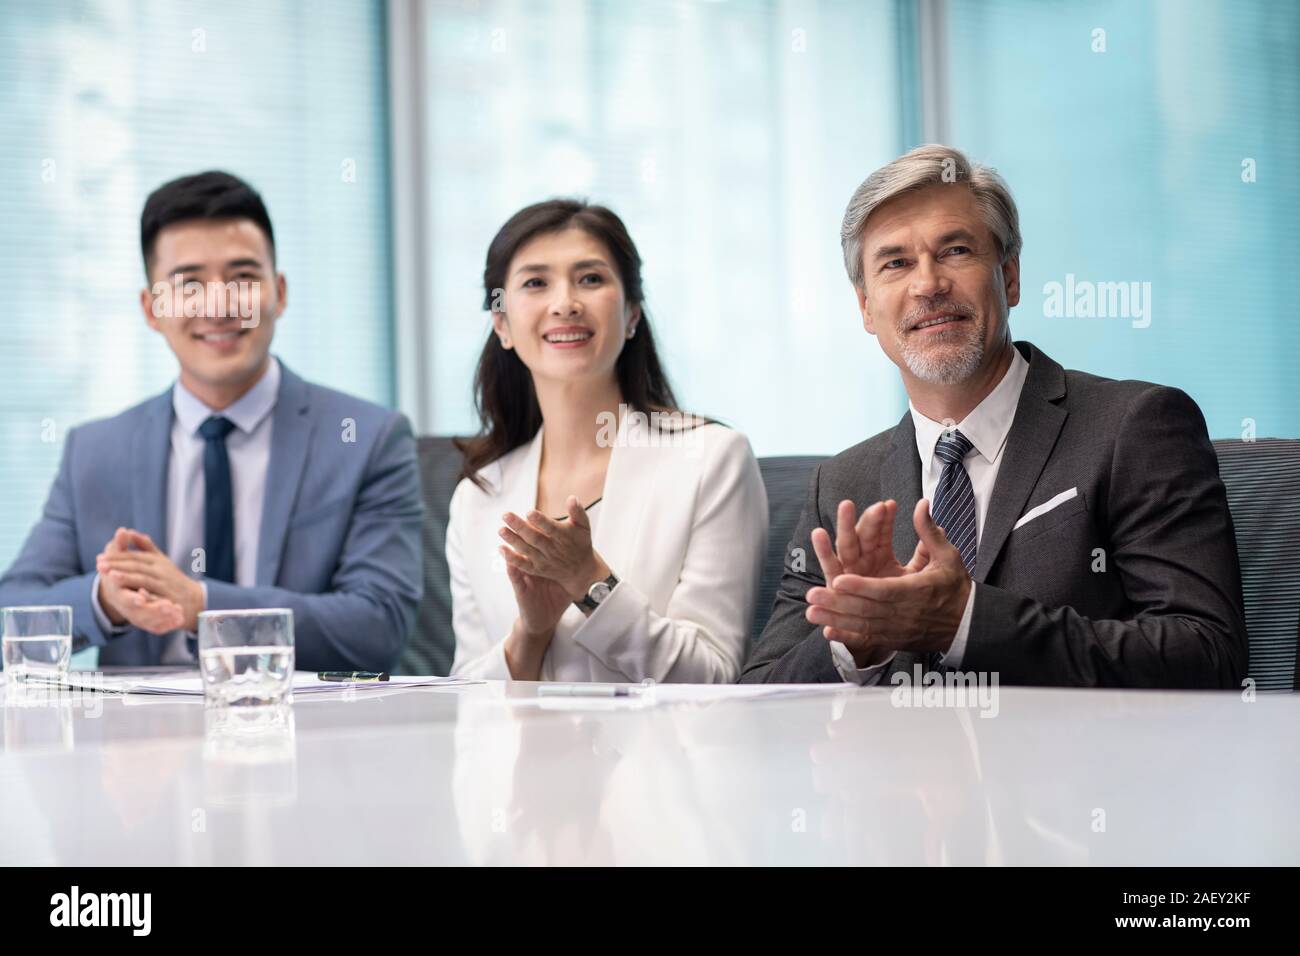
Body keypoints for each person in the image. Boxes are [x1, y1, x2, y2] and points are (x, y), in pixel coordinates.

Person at [742, 145, 1246, 688]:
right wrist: (853, 646)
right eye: (896, 263)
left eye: (955, 251)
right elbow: (760, 693)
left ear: (1009, 277)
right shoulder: (841, 486)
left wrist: (966, 623)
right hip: (894, 772)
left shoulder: (1135, 427)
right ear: (866, 307)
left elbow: (1207, 653)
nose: (928, 284)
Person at [0, 171, 423, 671]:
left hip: (302, 732)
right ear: (151, 309)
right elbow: (13, 614)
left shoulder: (367, 439)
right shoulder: (95, 451)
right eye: (189, 284)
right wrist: (106, 601)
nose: (219, 305)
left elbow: (379, 629)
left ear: (279, 293)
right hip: (137, 739)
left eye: (243, 278)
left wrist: (200, 604)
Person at [448, 200, 767, 682]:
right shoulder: (478, 496)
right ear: (502, 324)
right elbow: (466, 700)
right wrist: (530, 634)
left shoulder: (711, 461)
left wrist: (590, 582)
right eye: (536, 283)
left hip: (663, 758)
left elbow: (713, 678)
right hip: (522, 758)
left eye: (591, 279)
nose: (565, 303)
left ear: (633, 313)